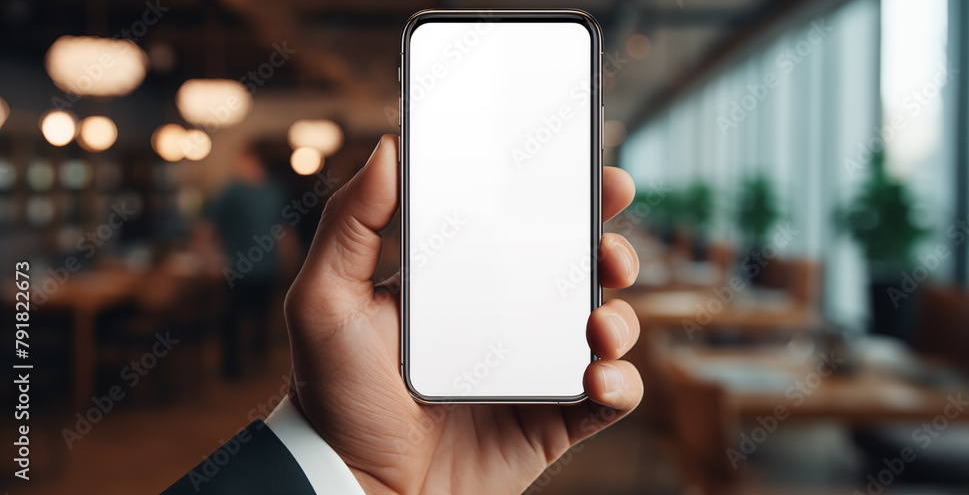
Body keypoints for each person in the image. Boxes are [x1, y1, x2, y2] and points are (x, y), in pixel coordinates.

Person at [164, 135, 643, 494]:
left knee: (239, 325)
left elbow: (219, 228)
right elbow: (282, 233)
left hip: (245, 273)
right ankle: (241, 359)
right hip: (264, 273)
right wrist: (356, 472)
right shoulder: (264, 190)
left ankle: (237, 361)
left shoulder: (236, 191)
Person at [208, 141, 289, 378]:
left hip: (255, 266)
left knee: (250, 319)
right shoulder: (241, 191)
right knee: (241, 319)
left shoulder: (264, 190)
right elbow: (210, 226)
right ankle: (240, 366)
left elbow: (283, 229)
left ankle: (249, 364)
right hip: (247, 267)